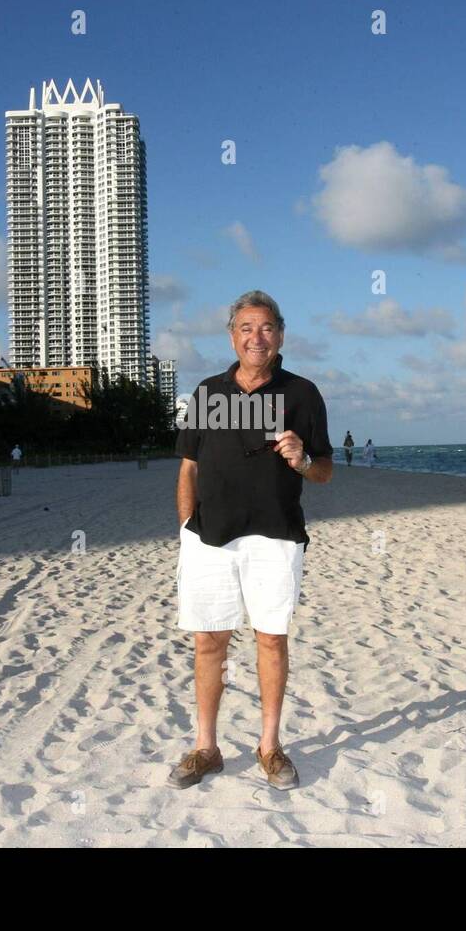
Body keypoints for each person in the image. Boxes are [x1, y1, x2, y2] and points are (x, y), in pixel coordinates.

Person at [169, 290, 333, 792]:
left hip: (276, 537)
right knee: (208, 641)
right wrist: (185, 530)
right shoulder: (207, 392)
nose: (255, 337)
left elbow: (324, 472)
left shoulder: (302, 394)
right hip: (209, 539)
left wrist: (301, 460)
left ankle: (269, 747)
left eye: (265, 328)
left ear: (280, 334)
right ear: (232, 335)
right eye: (246, 328)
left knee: (271, 638)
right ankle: (206, 748)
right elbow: (188, 466)